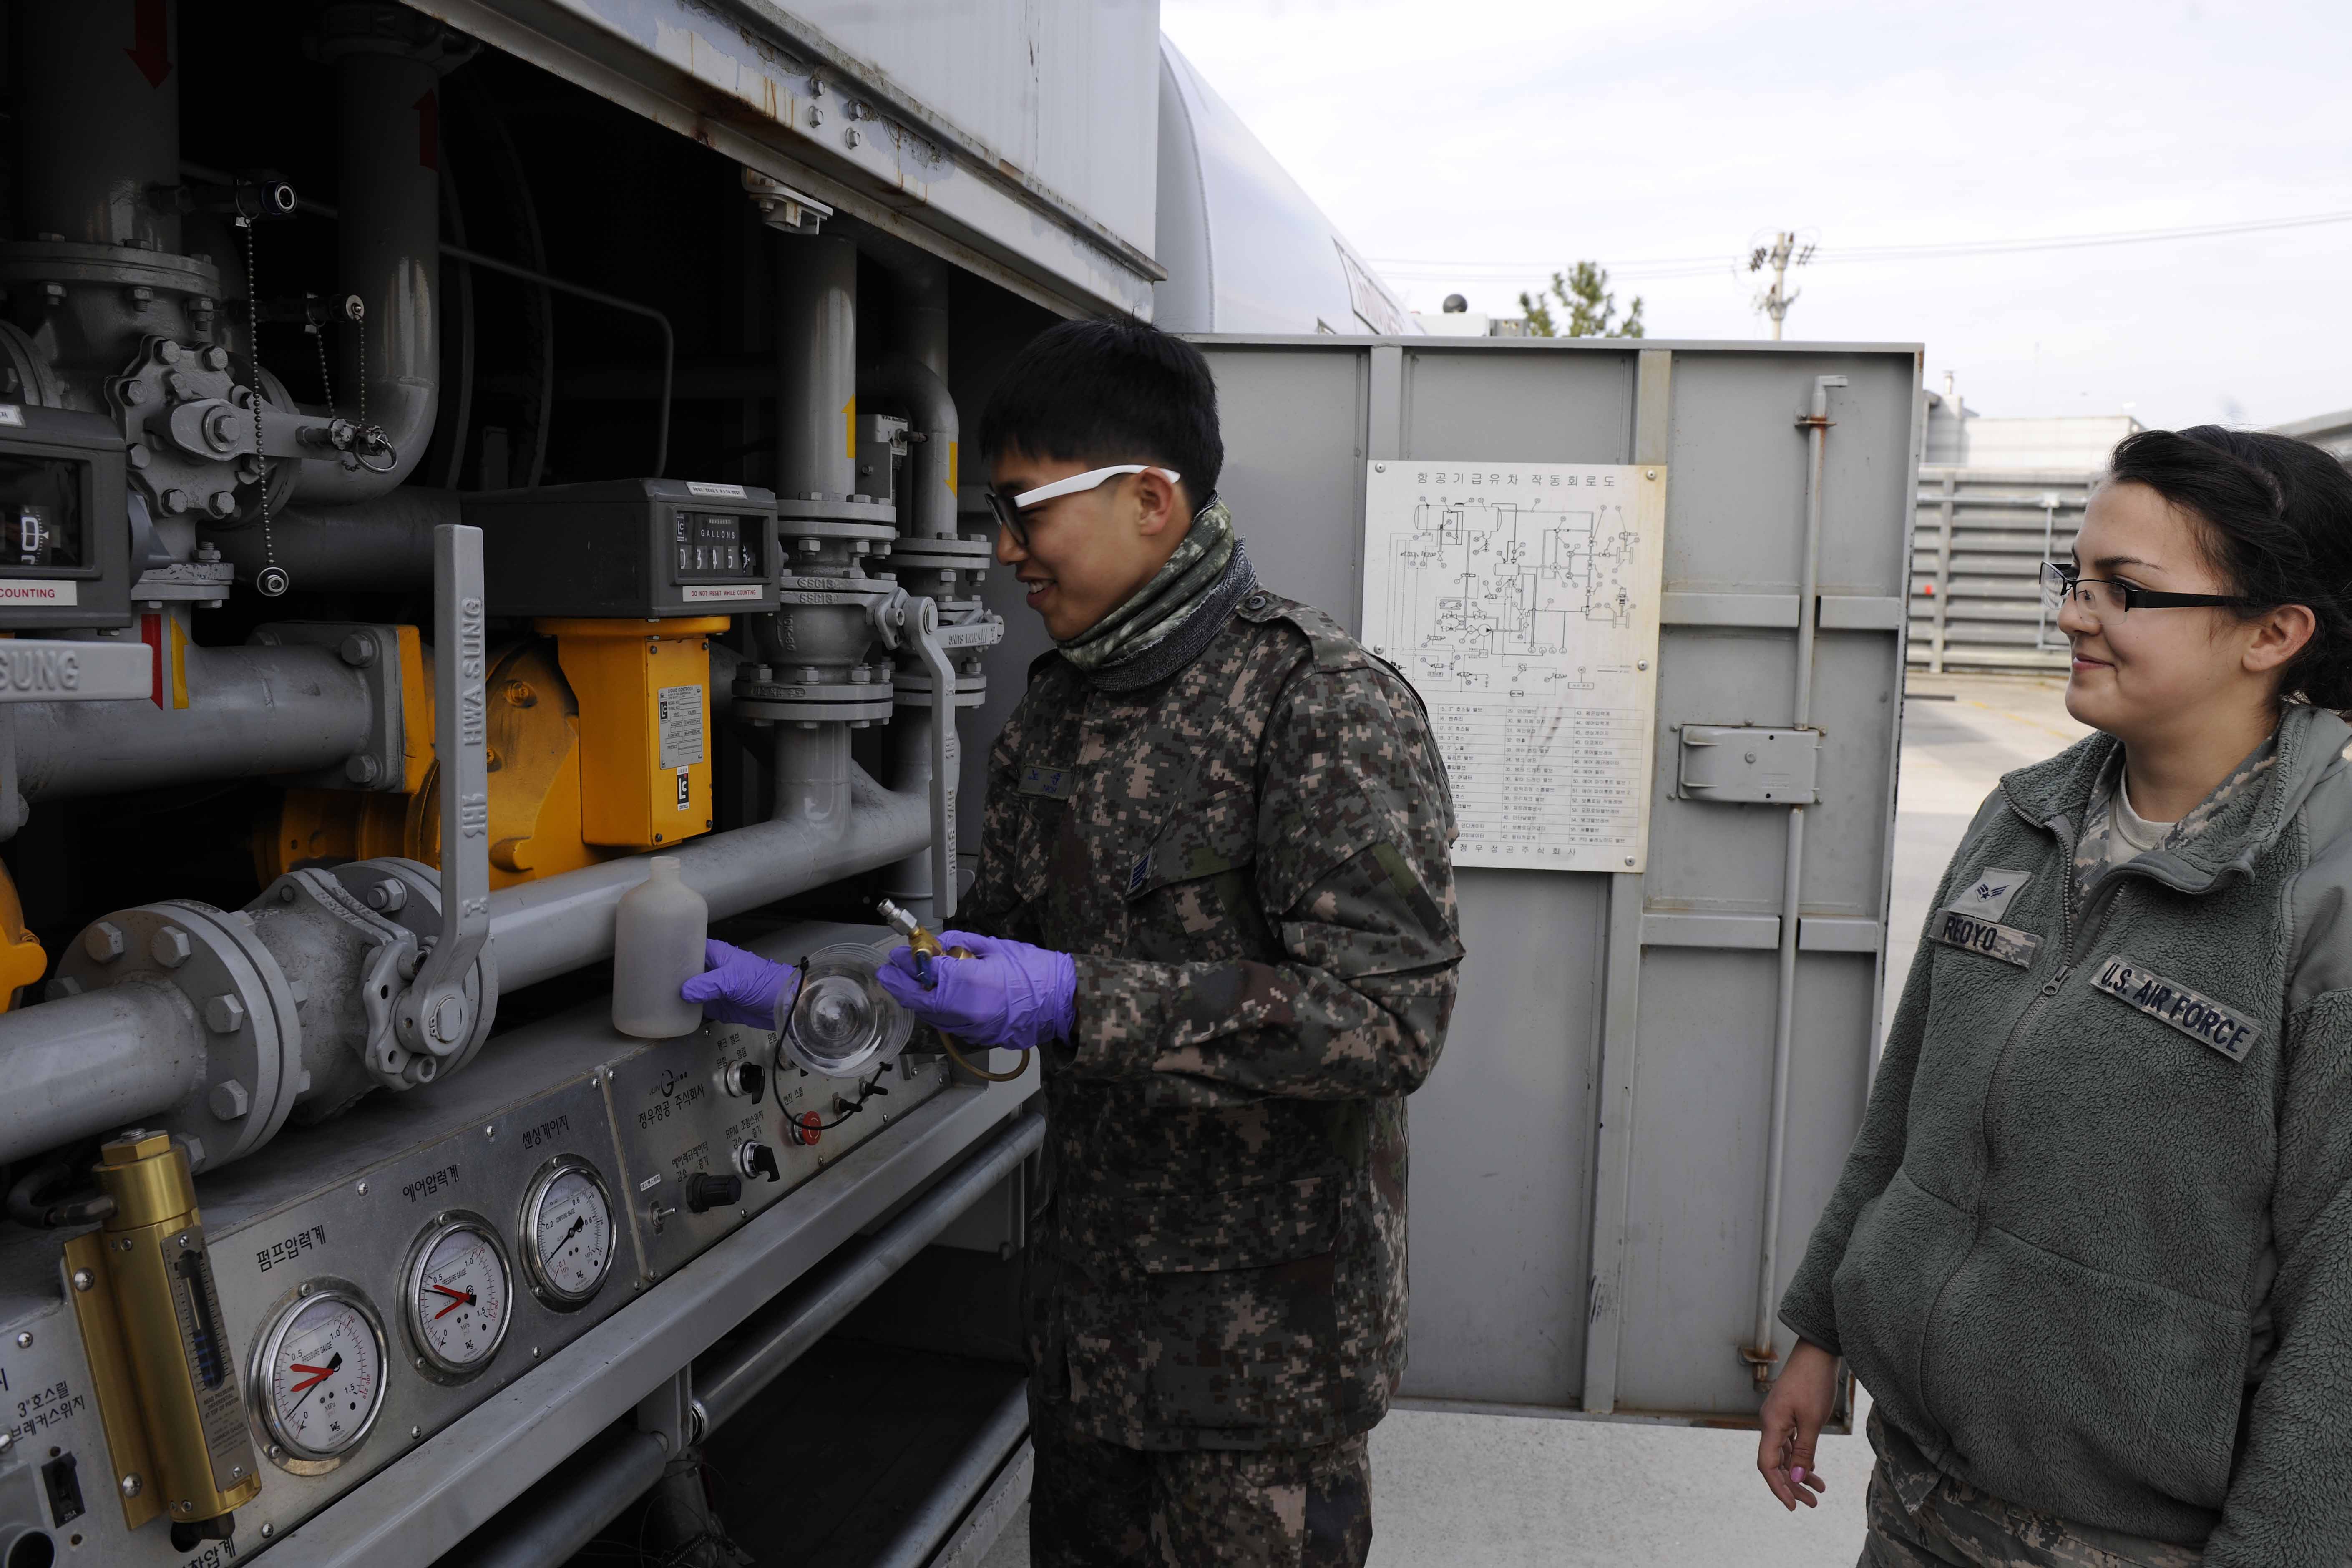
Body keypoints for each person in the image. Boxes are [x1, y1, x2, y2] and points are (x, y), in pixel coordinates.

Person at [683, 317, 1462, 1566]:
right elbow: (986, 968)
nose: (1002, 551)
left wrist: (1081, 1003)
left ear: (1150, 500)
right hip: (1087, 1349)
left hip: (1254, 1387)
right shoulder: (1063, 713)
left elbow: (1387, 1021)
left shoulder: (1321, 705)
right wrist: (810, 999)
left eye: (1023, 509)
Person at [1756, 426, 2352, 1567]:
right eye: (2073, 577)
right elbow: (1906, 1112)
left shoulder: (2326, 892)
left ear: (2274, 633)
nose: (2074, 613)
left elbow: (2343, 1311)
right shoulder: (2025, 819)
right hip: (1919, 1497)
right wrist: (1822, 1329)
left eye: (2127, 591)